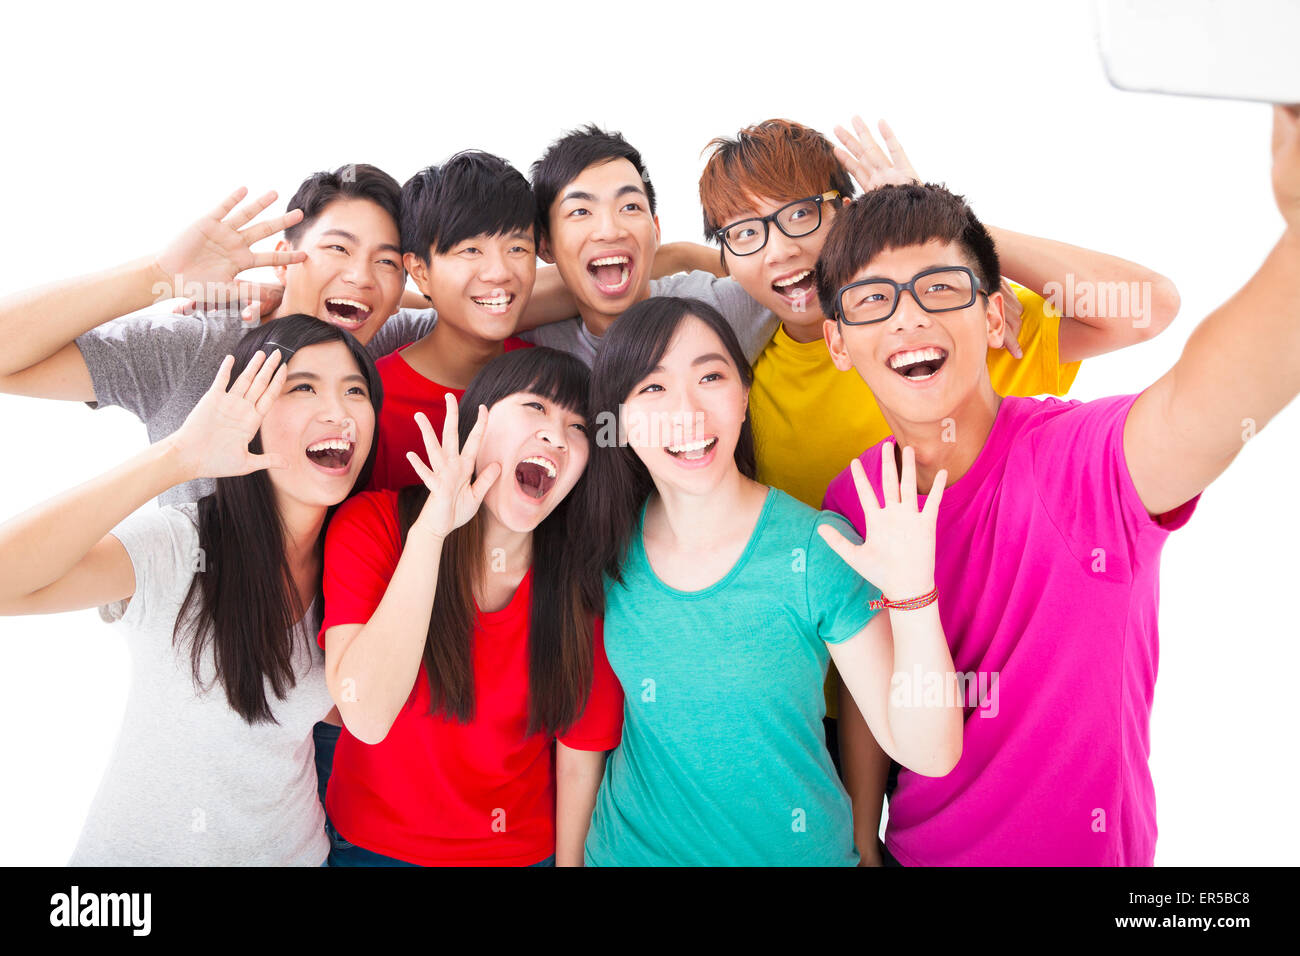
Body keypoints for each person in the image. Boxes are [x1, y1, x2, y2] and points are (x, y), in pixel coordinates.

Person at [819, 104, 1300, 865]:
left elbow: (1212, 398)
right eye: (874, 300)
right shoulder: (853, 498)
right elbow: (866, 691)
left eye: (941, 287)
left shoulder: (1085, 462)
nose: (908, 319)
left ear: (998, 314)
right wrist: (859, 844)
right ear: (839, 343)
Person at [577, 295, 962, 866]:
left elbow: (929, 753)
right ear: (620, 419)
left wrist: (913, 595)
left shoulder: (817, 547)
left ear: (744, 396)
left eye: (710, 375)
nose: (686, 409)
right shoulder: (607, 545)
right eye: (652, 388)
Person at [0, 314, 381, 864]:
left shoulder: (355, 567)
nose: (338, 412)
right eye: (302, 387)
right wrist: (179, 456)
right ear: (248, 413)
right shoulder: (182, 548)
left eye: (355, 391)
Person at [319, 348, 624, 866]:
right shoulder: (372, 526)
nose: (556, 435)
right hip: (369, 847)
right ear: (474, 421)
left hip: (520, 854)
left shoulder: (583, 582)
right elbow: (366, 716)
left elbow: (579, 761)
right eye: (535, 407)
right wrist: (432, 535)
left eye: (578, 427)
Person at [522, 124, 779, 365]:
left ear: (655, 230)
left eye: (630, 207)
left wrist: (686, 254)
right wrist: (679, 255)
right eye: (580, 211)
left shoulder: (717, 307)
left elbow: (804, 272)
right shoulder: (546, 342)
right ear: (544, 245)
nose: (609, 231)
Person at [367, 150, 537, 492]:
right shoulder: (375, 402)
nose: (500, 272)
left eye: (517, 248)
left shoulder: (544, 378)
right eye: (470, 250)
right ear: (419, 271)